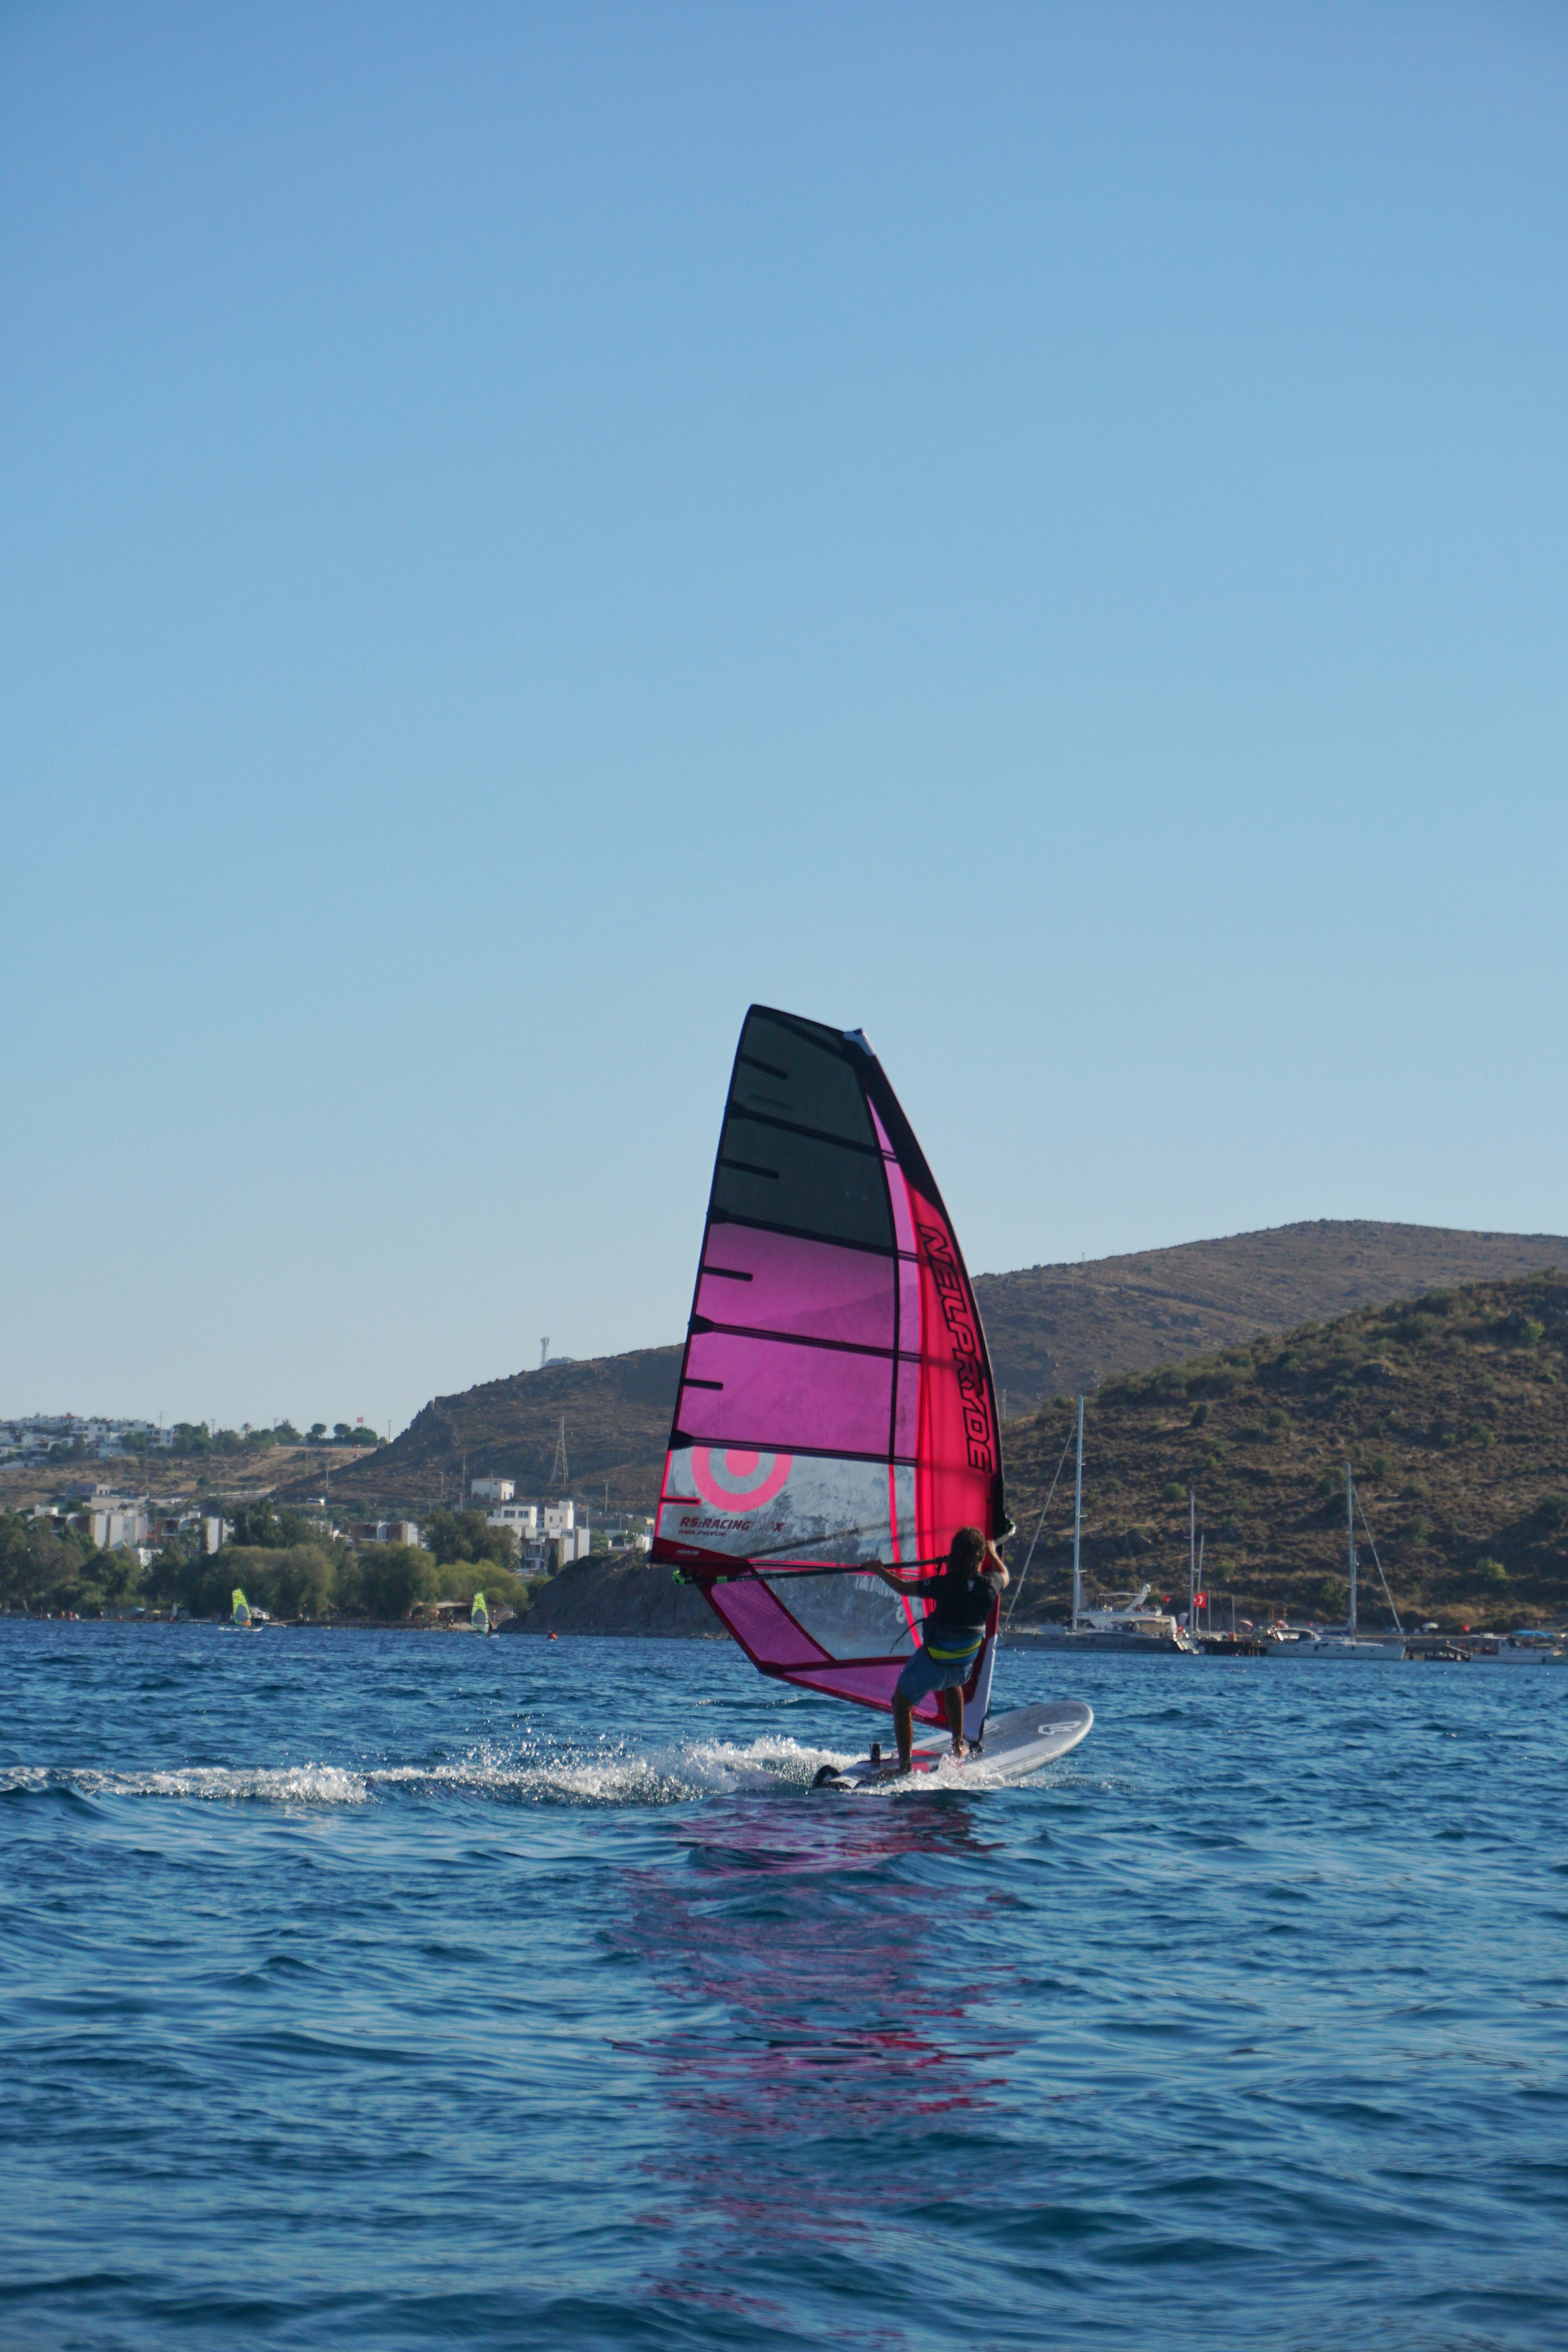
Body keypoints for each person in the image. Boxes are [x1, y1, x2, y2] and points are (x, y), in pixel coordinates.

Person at [871, 1526, 1008, 1772]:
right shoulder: (991, 1585)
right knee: (952, 1682)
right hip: (961, 1669)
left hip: (932, 1665)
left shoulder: (943, 1585)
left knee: (901, 1704)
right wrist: (993, 1553)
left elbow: (903, 1588)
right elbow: (1005, 1575)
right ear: (981, 1558)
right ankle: (958, 1745)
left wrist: (879, 1571)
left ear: (954, 1556)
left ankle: (904, 1767)